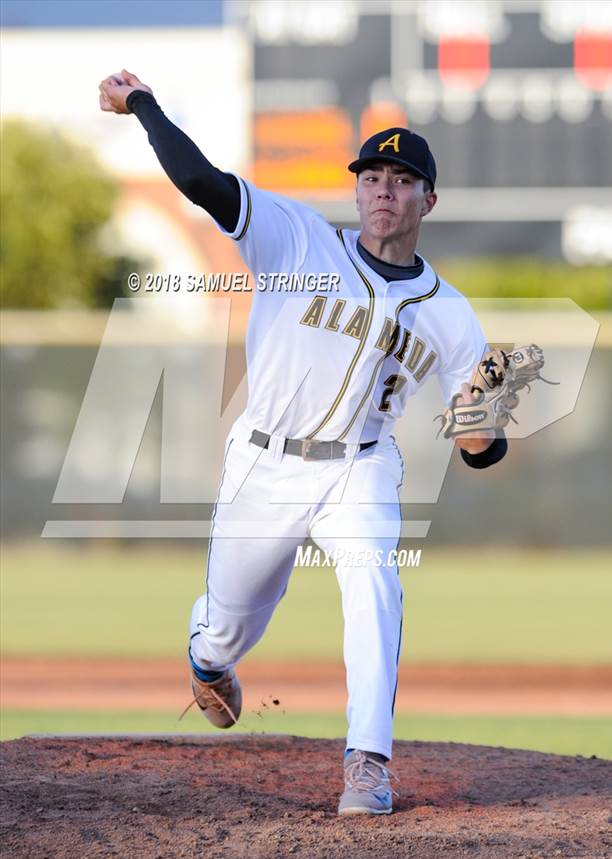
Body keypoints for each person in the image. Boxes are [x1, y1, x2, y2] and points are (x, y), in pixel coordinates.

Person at [99, 69, 507, 816]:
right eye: (373, 176)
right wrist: (143, 105)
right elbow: (196, 178)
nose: (385, 189)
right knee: (227, 624)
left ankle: (368, 764)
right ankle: (209, 663)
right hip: (263, 461)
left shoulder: (451, 314)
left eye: (403, 178)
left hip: (362, 467)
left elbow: (481, 445)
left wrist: (483, 431)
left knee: (374, 582)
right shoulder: (295, 238)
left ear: (429, 200)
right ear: (356, 192)